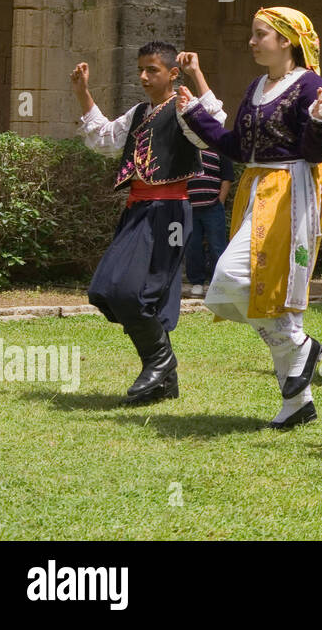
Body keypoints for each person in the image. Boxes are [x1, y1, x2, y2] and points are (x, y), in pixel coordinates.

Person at [178, 8, 322, 429]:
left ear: (286, 40)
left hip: (293, 188)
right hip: (257, 188)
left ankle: (301, 348)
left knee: (235, 275)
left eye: (260, 34)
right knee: (264, 293)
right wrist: (195, 113)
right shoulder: (257, 87)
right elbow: (235, 145)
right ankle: (298, 401)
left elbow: (317, 152)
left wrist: (321, 121)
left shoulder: (310, 86)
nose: (251, 41)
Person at [73, 41, 222, 404]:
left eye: (152, 69)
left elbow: (213, 127)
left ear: (172, 73)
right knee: (106, 288)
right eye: (140, 69)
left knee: (140, 292)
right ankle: (163, 378)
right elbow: (104, 139)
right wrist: (83, 93)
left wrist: (198, 75)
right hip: (136, 211)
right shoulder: (140, 113)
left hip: (169, 214)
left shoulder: (184, 106)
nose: (143, 76)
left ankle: (158, 363)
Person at [186, 149, 231, 299]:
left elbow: (226, 178)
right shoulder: (187, 148)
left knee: (217, 246)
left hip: (213, 207)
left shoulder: (220, 148)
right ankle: (197, 282)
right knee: (193, 245)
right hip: (190, 207)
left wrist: (220, 201)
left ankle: (217, 283)